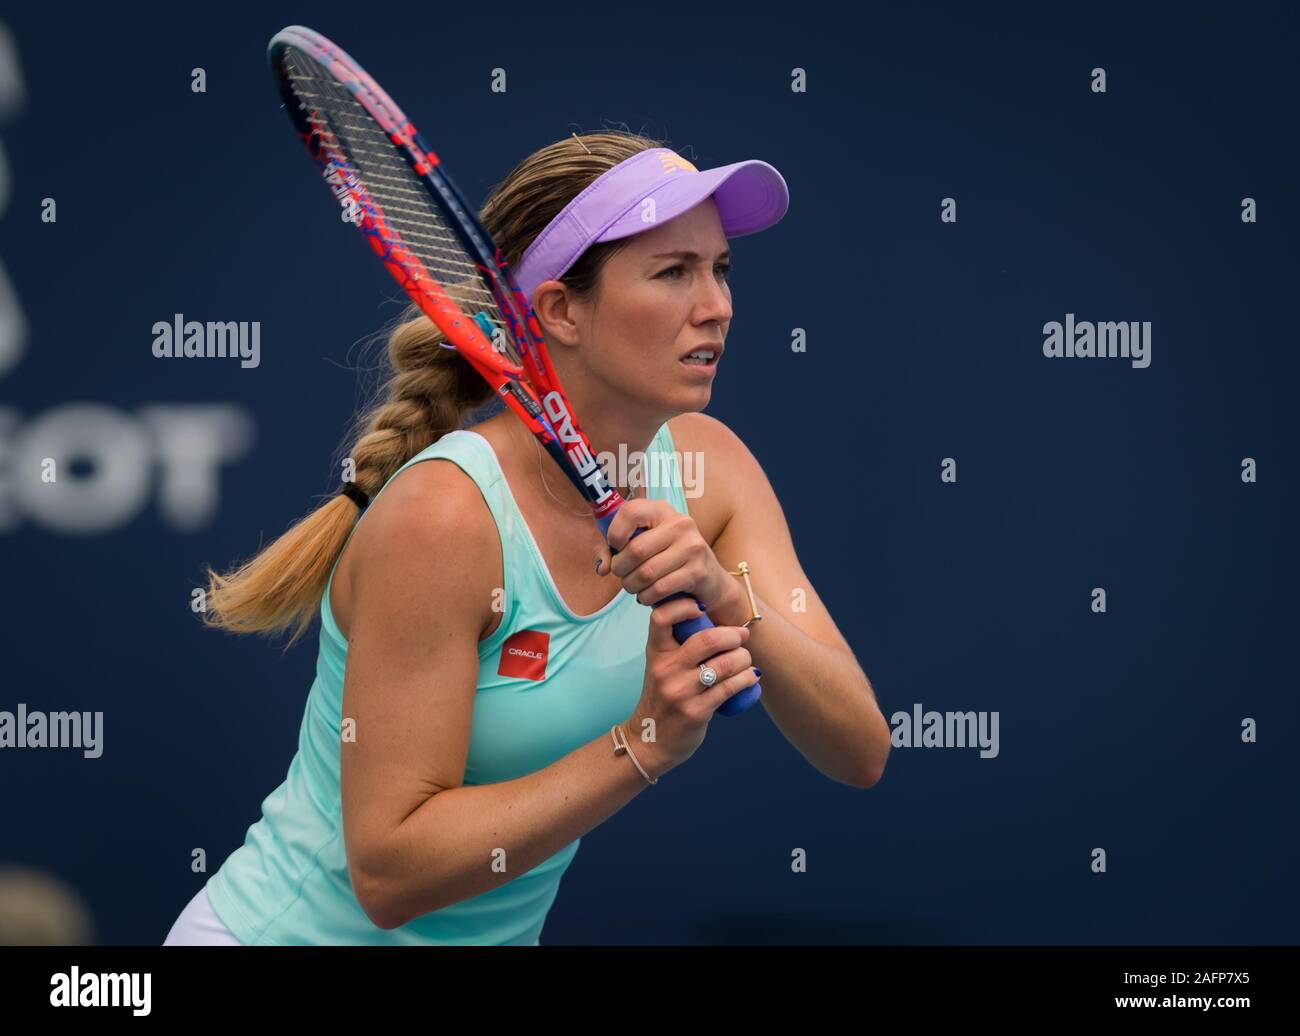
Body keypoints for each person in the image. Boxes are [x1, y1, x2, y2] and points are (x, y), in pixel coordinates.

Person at [163, 130, 891, 946]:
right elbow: (388, 874)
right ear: (561, 310)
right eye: (673, 272)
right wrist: (641, 743)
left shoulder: (711, 469)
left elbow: (859, 749)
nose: (716, 304)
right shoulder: (445, 517)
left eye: (720, 268)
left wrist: (733, 602)